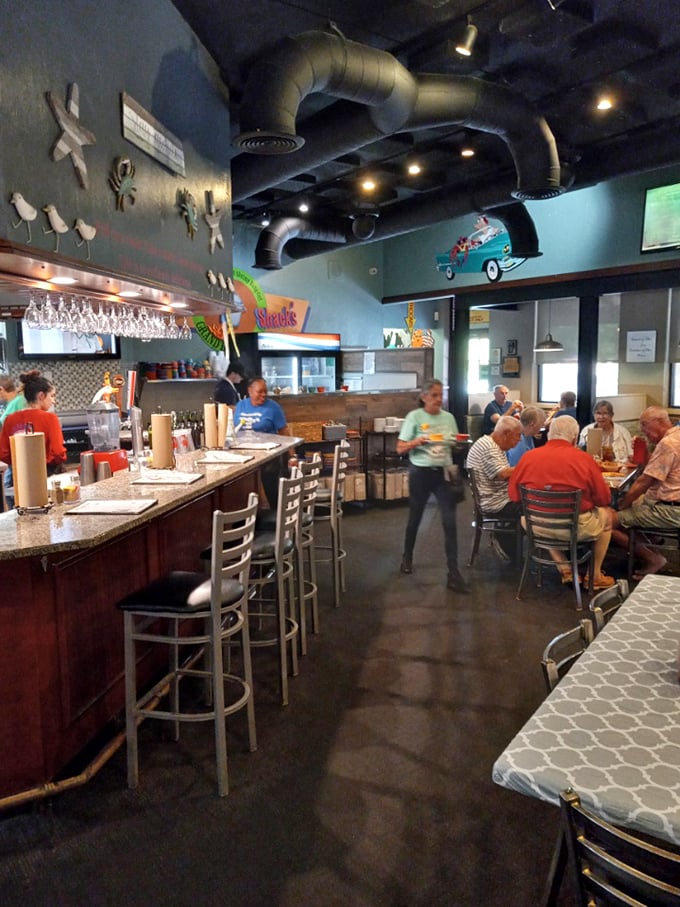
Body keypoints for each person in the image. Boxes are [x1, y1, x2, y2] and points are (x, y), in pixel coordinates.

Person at [508, 415, 614, 589]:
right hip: (575, 527)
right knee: (608, 516)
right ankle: (594, 575)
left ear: (549, 434)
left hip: (537, 526)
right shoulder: (585, 460)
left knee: (538, 518)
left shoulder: (528, 458)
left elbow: (514, 496)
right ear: (574, 438)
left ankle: (565, 568)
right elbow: (604, 499)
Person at [396, 379, 469, 593]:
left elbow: (454, 444)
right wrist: (416, 442)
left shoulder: (449, 418)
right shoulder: (414, 417)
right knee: (415, 517)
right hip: (420, 472)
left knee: (449, 521)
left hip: (443, 474)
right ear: (424, 397)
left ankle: (453, 573)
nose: (439, 399)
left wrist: (459, 445)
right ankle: (407, 556)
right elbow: (400, 448)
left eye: (441, 395)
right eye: (435, 395)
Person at [610, 406, 680, 578]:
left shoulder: (668, 444)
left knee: (606, 522)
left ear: (660, 422)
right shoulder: (676, 435)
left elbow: (644, 481)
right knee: (635, 503)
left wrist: (621, 505)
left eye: (644, 425)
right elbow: (657, 471)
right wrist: (646, 453)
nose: (642, 430)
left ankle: (653, 558)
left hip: (669, 509)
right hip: (671, 505)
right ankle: (648, 544)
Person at [466, 415, 523, 560]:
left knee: (530, 506)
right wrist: (528, 465)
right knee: (533, 510)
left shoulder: (490, 443)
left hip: (495, 497)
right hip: (495, 503)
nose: (520, 440)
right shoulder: (489, 448)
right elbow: (503, 474)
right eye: (517, 436)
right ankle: (506, 540)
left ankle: (507, 539)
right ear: (506, 434)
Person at [235, 376, 290, 508]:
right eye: (260, 391)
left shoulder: (273, 407)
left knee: (271, 485)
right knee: (241, 487)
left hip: (268, 455)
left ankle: (277, 514)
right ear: (250, 391)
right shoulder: (241, 405)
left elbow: (284, 431)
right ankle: (248, 518)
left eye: (265, 391)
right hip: (245, 454)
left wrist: (291, 456)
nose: (264, 395)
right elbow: (234, 429)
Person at [0, 371, 66, 475]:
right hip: (46, 473)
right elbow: (58, 452)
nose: (54, 401)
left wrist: (20, 463)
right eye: (52, 396)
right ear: (41, 396)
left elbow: (3, 454)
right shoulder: (50, 418)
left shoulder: (10, 419)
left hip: (19, 474)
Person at [579, 399, 633, 463]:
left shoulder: (623, 432)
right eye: (598, 413)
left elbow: (631, 456)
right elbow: (580, 454)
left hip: (618, 468)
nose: (601, 417)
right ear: (594, 415)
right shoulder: (586, 431)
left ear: (611, 415)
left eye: (605, 413)